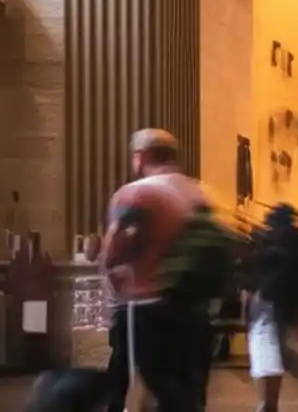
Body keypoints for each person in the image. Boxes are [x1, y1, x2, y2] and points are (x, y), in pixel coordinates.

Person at [101, 129, 210, 412]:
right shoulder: (200, 193)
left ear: (141, 157)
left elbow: (113, 252)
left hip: (146, 311)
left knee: (127, 388)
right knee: (186, 396)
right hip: (194, 312)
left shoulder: (137, 194)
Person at [250, 203, 298, 412]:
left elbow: (258, 267)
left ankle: (268, 402)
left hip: (270, 300)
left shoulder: (271, 241)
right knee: (281, 350)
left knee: (271, 352)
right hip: (292, 300)